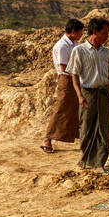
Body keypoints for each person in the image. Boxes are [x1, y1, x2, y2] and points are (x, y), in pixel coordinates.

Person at [67, 17, 109, 170]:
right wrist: (80, 96)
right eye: (105, 33)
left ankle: (99, 163)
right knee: (86, 127)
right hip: (87, 93)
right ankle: (84, 156)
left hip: (104, 93)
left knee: (103, 129)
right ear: (95, 32)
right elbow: (74, 75)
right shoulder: (79, 51)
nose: (107, 37)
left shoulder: (106, 52)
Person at [42, 19, 84, 153]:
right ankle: (48, 138)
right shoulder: (62, 46)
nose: (81, 35)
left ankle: (79, 137)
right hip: (66, 79)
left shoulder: (74, 43)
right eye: (80, 32)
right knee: (61, 108)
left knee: (75, 108)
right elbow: (63, 67)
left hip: (75, 78)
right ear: (73, 32)